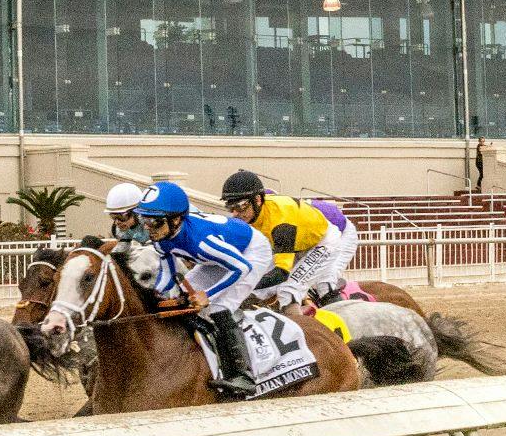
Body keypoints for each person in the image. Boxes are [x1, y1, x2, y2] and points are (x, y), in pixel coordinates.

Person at [131, 180, 267, 396]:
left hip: (251, 253)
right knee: (180, 296)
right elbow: (166, 277)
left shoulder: (201, 241)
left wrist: (208, 294)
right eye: (145, 220)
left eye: (155, 222)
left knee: (219, 307)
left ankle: (244, 375)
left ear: (175, 220)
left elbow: (241, 268)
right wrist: (155, 296)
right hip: (216, 260)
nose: (148, 228)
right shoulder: (162, 238)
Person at [221, 169, 348, 312]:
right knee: (255, 290)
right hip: (296, 243)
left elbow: (281, 273)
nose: (235, 213)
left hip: (322, 242)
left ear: (257, 200)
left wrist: (246, 283)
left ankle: (304, 331)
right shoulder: (251, 216)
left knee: (288, 291)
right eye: (230, 207)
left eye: (240, 206)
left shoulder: (281, 222)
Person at [104, 181, 148, 248]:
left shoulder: (151, 226)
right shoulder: (117, 231)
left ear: (137, 213)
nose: (117, 222)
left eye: (120, 217)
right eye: (113, 217)